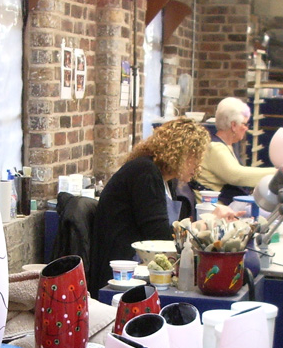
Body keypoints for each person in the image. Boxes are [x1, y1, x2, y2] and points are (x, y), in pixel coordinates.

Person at [88, 117, 213, 296]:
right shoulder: (145, 173)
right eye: (193, 157)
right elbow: (158, 235)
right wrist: (194, 230)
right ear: (178, 153)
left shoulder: (167, 181)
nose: (197, 166)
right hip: (123, 269)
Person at [193, 97, 277, 206]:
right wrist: (278, 173)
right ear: (233, 125)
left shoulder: (224, 146)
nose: (247, 128)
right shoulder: (215, 148)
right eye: (245, 124)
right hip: (216, 209)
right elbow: (237, 175)